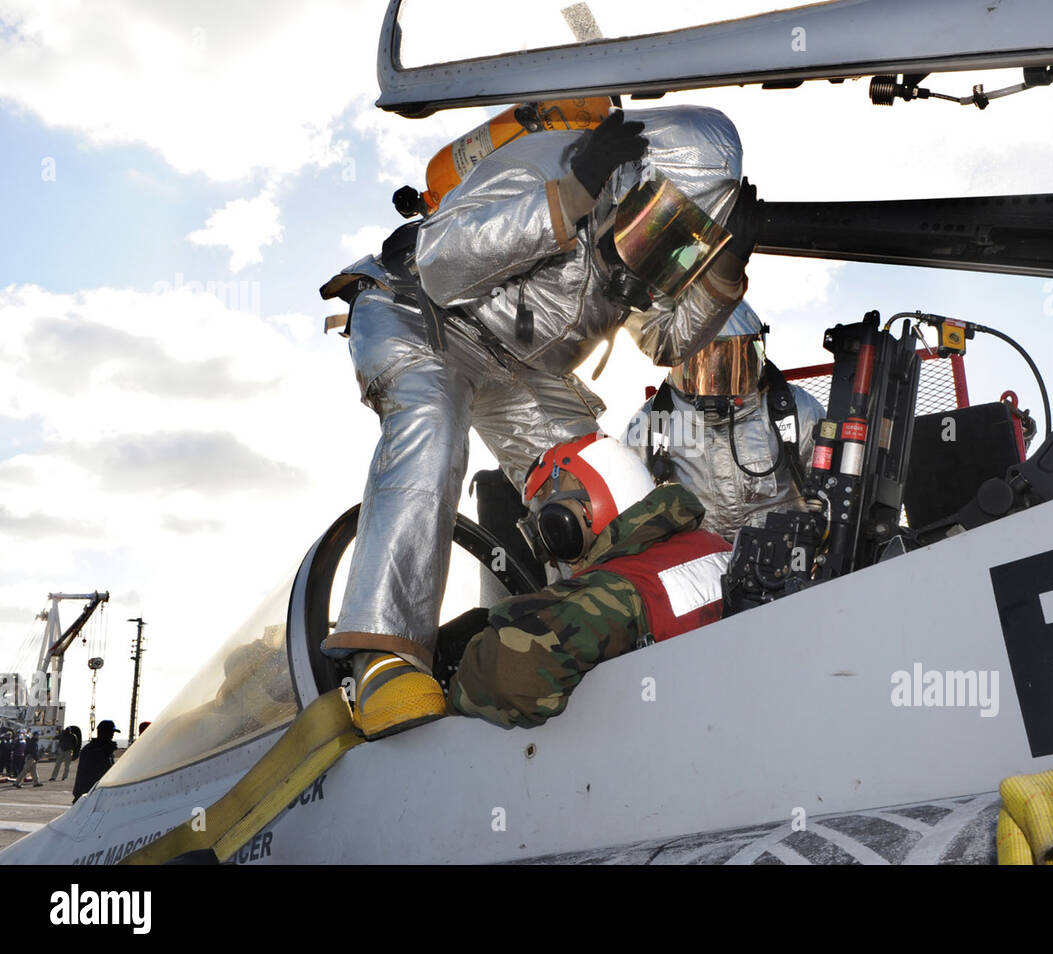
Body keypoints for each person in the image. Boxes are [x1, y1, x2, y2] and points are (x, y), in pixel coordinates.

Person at [321, 106, 761, 739]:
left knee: (597, 475)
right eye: (659, 223)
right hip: (422, 313)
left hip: (517, 363)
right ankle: (384, 655)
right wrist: (568, 197)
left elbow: (666, 342)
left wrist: (721, 272)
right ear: (629, 184)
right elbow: (442, 263)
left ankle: (580, 622)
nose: (657, 251)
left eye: (678, 236)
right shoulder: (543, 165)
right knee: (433, 421)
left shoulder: (643, 242)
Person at [382, 434, 731, 729]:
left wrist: (448, 684)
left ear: (592, 508)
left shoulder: (618, 591)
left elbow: (509, 675)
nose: (548, 545)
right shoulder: (715, 546)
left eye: (549, 521)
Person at [624, 301, 823, 540]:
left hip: (783, 560)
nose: (715, 378)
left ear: (754, 355)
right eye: (702, 364)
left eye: (729, 364)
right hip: (698, 567)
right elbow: (628, 504)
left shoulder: (794, 410)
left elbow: (830, 490)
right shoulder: (652, 423)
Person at [72, 720, 119, 803]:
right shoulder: (91, 749)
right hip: (86, 796)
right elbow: (95, 770)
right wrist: (105, 751)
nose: (112, 736)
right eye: (110, 733)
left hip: (97, 795)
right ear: (102, 733)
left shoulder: (105, 749)